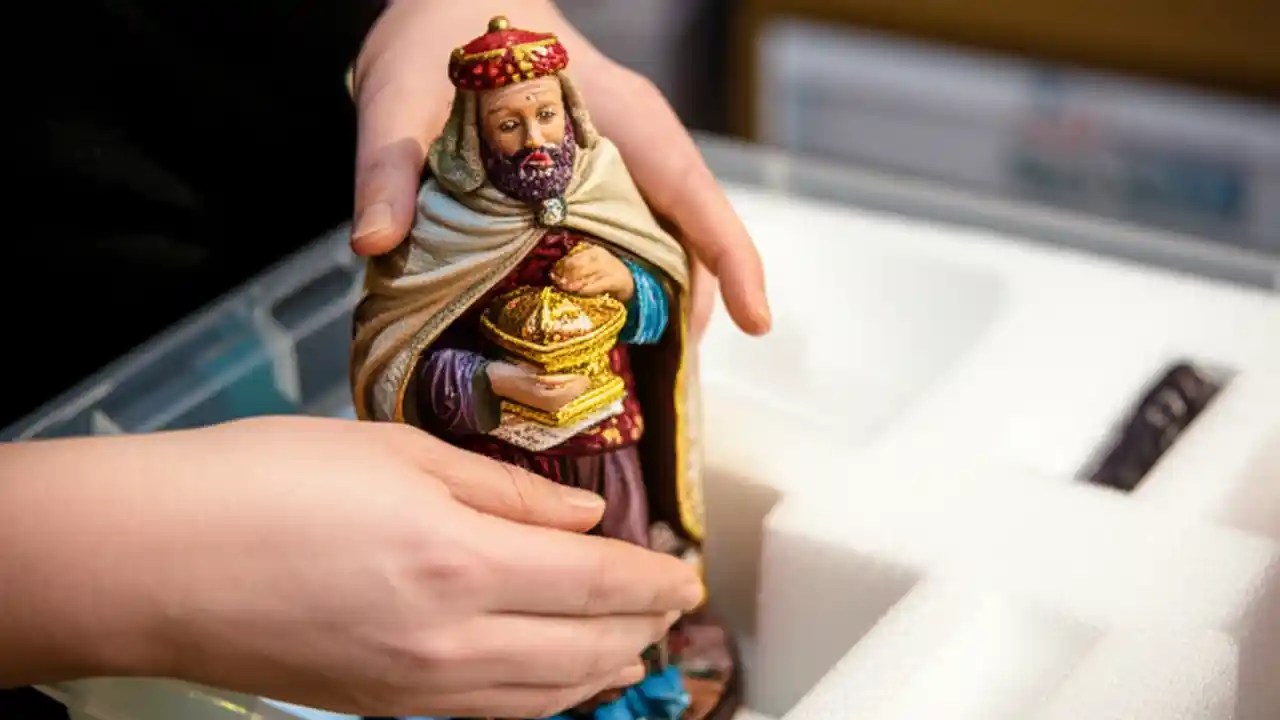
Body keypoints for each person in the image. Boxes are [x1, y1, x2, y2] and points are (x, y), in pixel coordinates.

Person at [4, 1, 769, 719]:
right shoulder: (443, 233)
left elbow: (661, 315)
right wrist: (490, 384)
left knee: (625, 576)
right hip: (479, 463)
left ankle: (629, 685)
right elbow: (408, 359)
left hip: (610, 441)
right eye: (511, 125)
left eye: (545, 116)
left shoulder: (601, 196)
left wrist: (633, 283)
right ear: (477, 135)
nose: (536, 141)